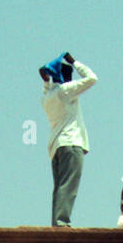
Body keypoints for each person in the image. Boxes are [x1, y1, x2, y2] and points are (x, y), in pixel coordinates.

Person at [39, 51, 97, 226]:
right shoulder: (65, 91)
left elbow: (47, 85)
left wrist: (46, 76)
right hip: (71, 143)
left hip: (56, 146)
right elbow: (92, 78)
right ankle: (61, 222)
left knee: (60, 187)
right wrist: (75, 62)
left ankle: (57, 223)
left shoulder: (47, 97)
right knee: (69, 185)